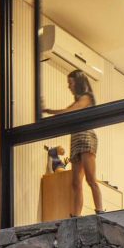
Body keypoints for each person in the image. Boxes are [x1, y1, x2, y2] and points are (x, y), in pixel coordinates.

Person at [43, 69, 104, 216]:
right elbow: (67, 111)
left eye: (70, 83)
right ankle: (75, 216)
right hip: (76, 138)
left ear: (78, 82)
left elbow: (69, 111)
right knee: (76, 182)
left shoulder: (87, 98)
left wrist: (50, 112)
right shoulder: (77, 101)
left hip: (85, 136)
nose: (69, 86)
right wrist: (50, 112)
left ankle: (100, 211)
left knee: (90, 178)